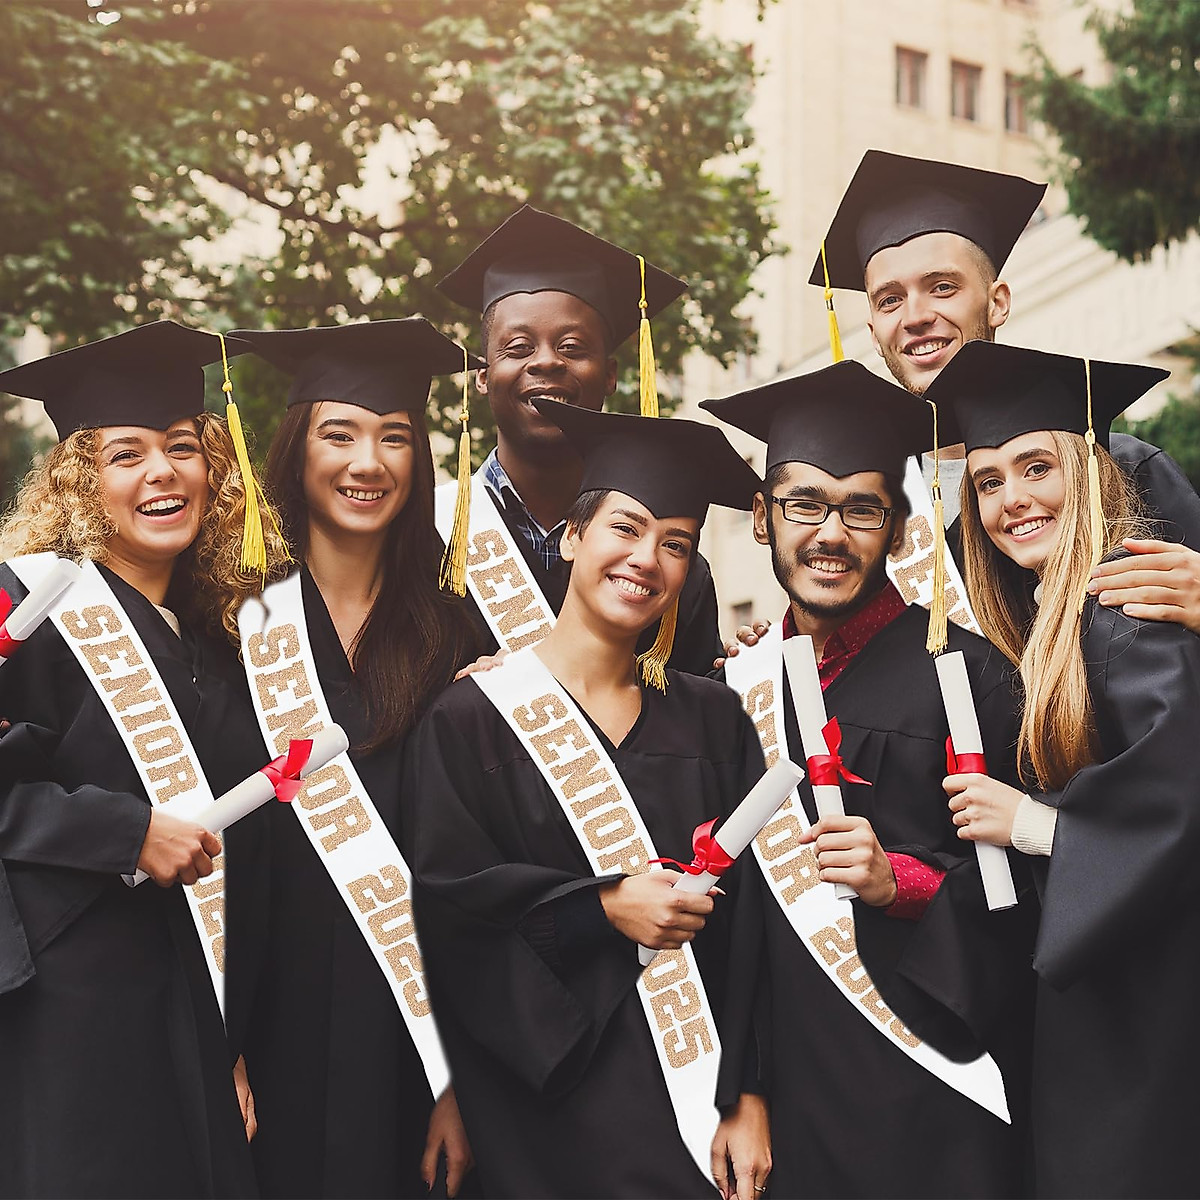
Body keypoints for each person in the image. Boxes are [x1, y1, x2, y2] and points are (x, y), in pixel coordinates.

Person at [401, 402, 770, 1199]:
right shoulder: (471, 720)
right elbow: (447, 911)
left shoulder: (712, 718)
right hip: (539, 1112)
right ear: (572, 536)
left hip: (694, 1111)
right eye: (626, 528)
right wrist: (598, 908)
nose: (648, 559)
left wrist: (747, 1094)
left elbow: (753, 928)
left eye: (676, 544)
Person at [703, 361, 1029, 1198]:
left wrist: (905, 884)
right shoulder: (730, 695)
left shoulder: (974, 674)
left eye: (862, 508)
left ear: (900, 528)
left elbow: (1037, 893)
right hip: (778, 1104)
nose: (830, 533)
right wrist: (739, 1086)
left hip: (930, 1094)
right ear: (760, 517)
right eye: (804, 502)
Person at [0, 320, 290, 1198]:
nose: (162, 472)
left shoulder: (224, 629)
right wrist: (124, 831)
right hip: (71, 1021)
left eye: (180, 447)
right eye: (125, 455)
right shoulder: (27, 603)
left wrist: (227, 1040)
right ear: (81, 485)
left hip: (195, 1017)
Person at [931, 340, 1200, 1199]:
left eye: (1035, 466)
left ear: (1086, 469)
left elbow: (1176, 809)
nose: (1013, 500)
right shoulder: (1047, 618)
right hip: (1104, 996)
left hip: (1151, 1004)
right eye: (988, 481)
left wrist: (1030, 823)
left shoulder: (1130, 610)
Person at [224, 318, 483, 1199]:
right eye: (340, 434)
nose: (367, 461)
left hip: (408, 1028)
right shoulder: (233, 623)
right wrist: (214, 1043)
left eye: (395, 437)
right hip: (262, 1013)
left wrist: (459, 1079)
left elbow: (480, 870)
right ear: (296, 449)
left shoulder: (458, 634)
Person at [811, 148, 1200, 632]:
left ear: (997, 303)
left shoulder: (1120, 471)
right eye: (890, 300)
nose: (914, 317)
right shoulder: (868, 515)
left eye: (943, 287)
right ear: (873, 332)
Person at [435, 204, 725, 672]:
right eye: (518, 348)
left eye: (572, 347)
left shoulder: (667, 567)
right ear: (482, 377)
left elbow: (697, 730)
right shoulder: (424, 542)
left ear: (610, 375)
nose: (547, 362)